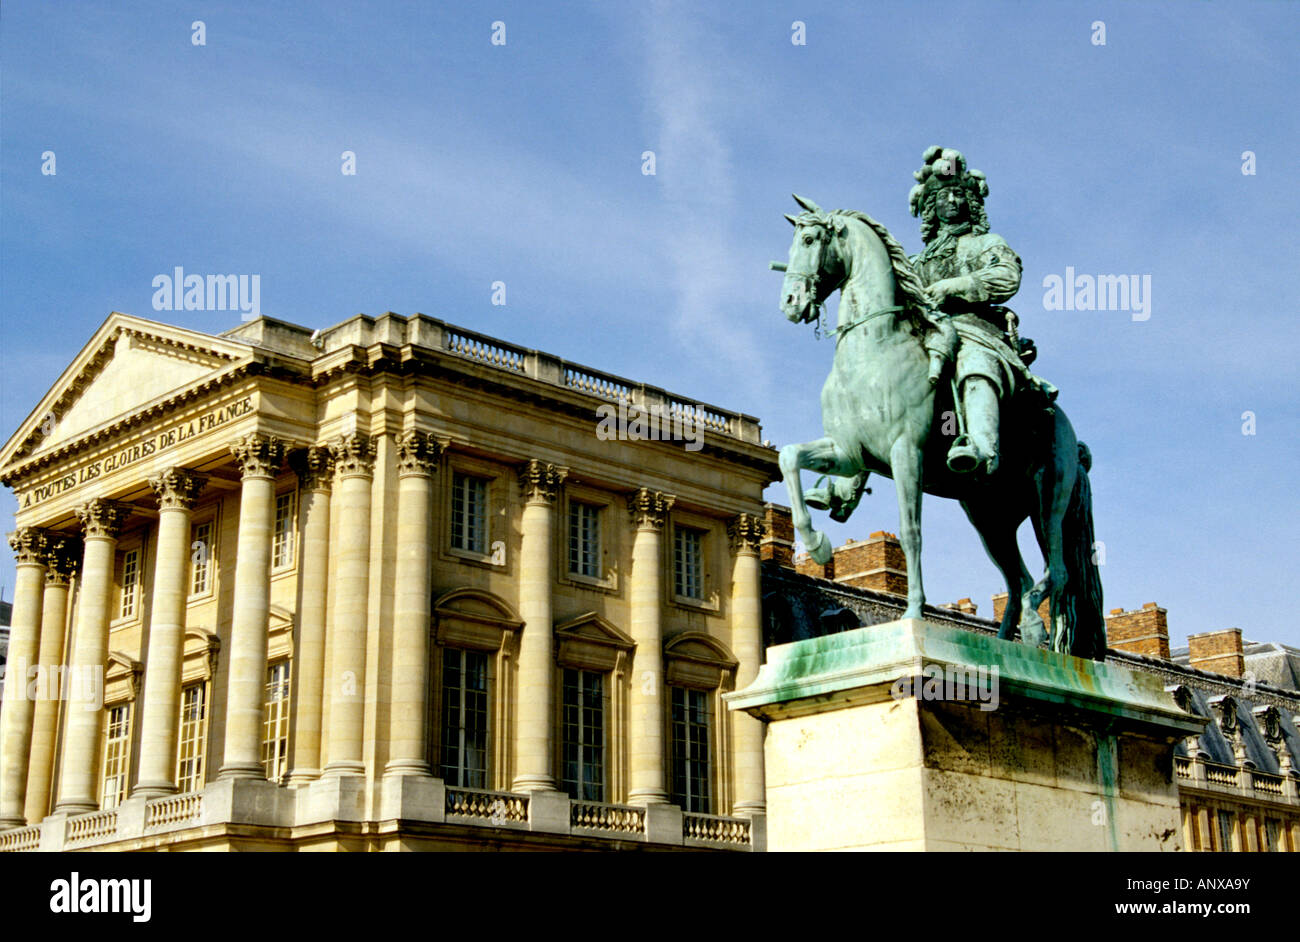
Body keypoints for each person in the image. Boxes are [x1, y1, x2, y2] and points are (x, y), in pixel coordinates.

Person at [907, 146, 1055, 475]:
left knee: (972, 362)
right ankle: (852, 475)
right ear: (931, 205)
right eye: (943, 195)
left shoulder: (987, 244)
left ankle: (981, 445)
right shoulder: (915, 262)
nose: (951, 201)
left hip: (974, 330)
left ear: (971, 203)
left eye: (959, 194)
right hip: (926, 335)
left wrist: (953, 286)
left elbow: (1006, 276)